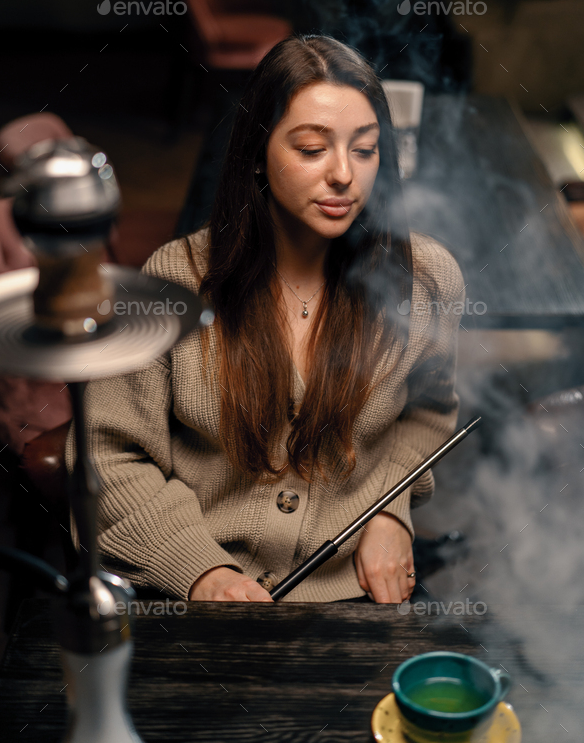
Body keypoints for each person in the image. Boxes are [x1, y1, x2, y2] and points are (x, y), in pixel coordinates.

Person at [65, 34, 465, 603]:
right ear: (257, 154)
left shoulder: (426, 280)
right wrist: (201, 571)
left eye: (365, 149)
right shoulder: (173, 281)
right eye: (310, 149)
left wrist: (391, 513)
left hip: (352, 593)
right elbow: (105, 457)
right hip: (193, 593)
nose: (343, 176)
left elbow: (429, 414)